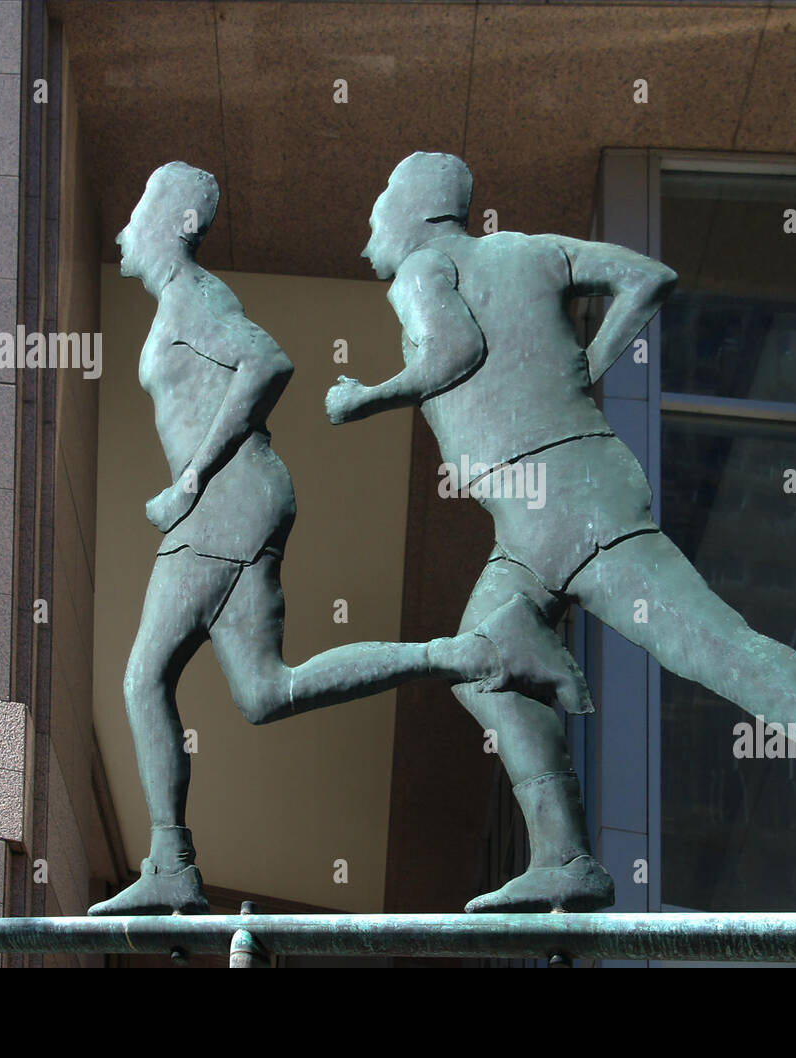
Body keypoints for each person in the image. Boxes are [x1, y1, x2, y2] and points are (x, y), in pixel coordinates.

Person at [326, 151, 796, 914]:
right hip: (542, 512)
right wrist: (582, 370)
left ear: (417, 212)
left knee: (714, 643)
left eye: (376, 208)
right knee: (490, 667)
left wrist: (368, 396)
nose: (367, 232)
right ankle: (562, 858)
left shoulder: (424, 270)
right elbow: (648, 275)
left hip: (561, 501)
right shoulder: (529, 250)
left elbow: (453, 350)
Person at [89, 161, 590, 916]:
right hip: (233, 508)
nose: (126, 229)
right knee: (262, 692)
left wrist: (191, 478)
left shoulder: (194, 296)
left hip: (221, 508)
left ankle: (170, 862)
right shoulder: (176, 303)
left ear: (172, 227)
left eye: (141, 212)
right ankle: (469, 652)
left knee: (141, 678)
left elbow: (268, 361)